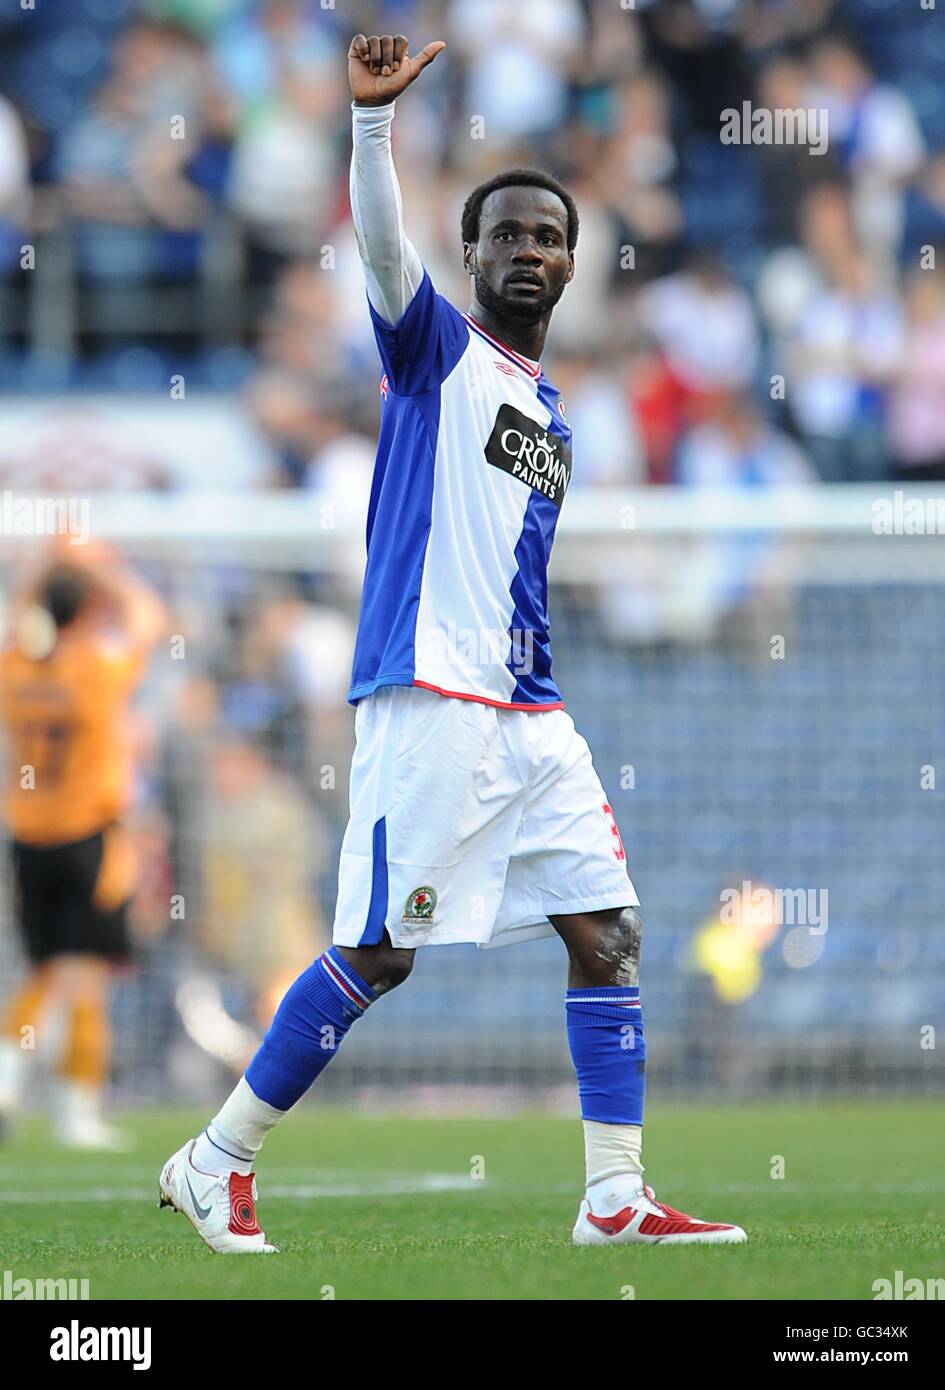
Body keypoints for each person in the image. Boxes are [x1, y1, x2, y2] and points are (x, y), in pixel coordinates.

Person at [159, 32, 746, 1253]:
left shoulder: (555, 419)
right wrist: (372, 126)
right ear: (471, 255)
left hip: (529, 708)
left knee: (608, 928)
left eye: (547, 236)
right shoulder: (430, 354)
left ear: (573, 263)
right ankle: (214, 1159)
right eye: (506, 235)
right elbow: (382, 248)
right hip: (429, 696)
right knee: (379, 954)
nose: (527, 250)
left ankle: (612, 1196)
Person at [0, 542, 167, 1148]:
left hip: (27, 838)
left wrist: (46, 561)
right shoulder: (95, 666)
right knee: (88, 975)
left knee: (47, 970)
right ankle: (72, 1110)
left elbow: (22, 609)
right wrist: (92, 558)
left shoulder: (16, 666)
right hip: (88, 838)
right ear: (86, 611)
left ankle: (15, 1074)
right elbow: (146, 614)